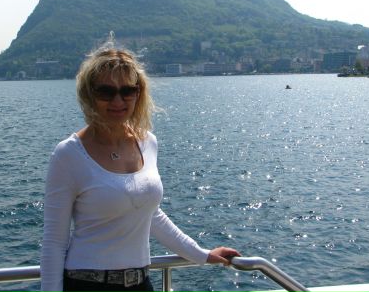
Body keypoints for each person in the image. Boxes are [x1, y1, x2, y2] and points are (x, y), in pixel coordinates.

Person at [40, 46, 240, 292]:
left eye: (127, 91)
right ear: (89, 94)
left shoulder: (147, 143)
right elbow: (54, 242)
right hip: (87, 284)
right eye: (106, 91)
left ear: (139, 93)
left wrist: (201, 254)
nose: (117, 101)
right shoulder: (69, 154)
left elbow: (150, 214)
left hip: (141, 284)